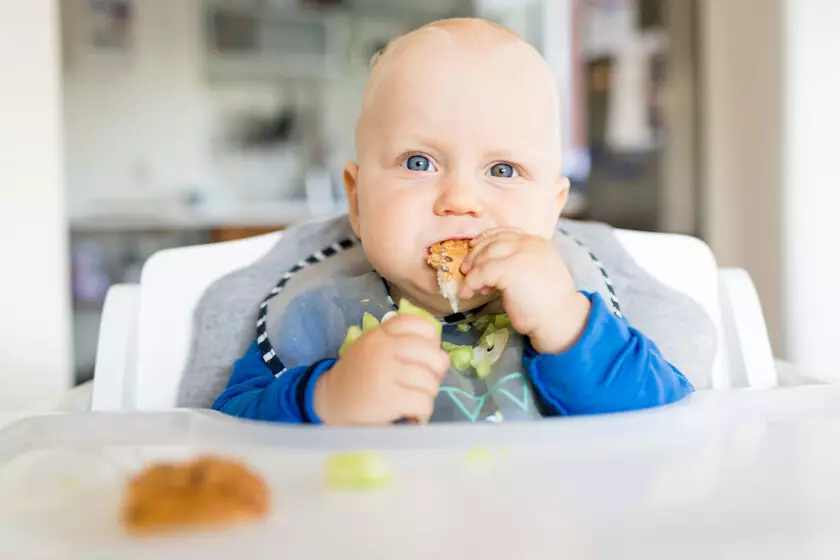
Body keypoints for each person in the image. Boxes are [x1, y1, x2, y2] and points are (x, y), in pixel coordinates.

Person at [211, 18, 693, 425]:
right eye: (419, 163)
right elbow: (227, 429)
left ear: (552, 211)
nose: (460, 200)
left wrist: (565, 323)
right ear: (357, 203)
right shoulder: (315, 316)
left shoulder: (576, 313)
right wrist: (326, 397)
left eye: (502, 170)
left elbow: (666, 422)